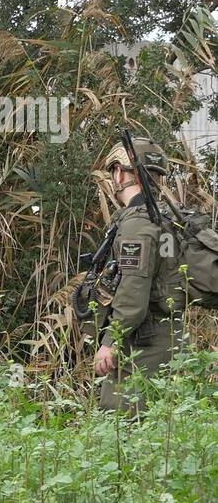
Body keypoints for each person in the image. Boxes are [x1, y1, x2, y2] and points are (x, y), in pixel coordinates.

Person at [90, 136, 185, 414]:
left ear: (119, 172)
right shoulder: (168, 220)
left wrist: (110, 342)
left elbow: (133, 291)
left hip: (145, 341)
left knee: (122, 417)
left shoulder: (138, 225)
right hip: (171, 334)